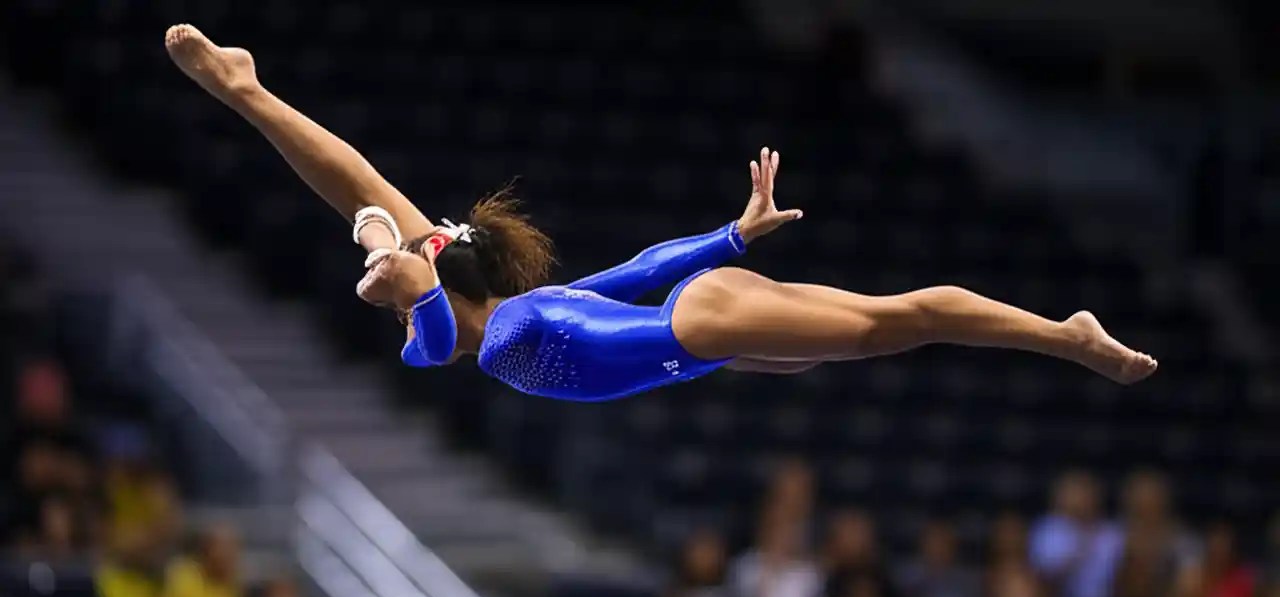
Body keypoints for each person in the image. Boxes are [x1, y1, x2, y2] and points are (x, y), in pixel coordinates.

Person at [164, 25, 1157, 404]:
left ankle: (1062, 336)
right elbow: (631, 272)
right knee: (882, 328)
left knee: (898, 321)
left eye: (409, 295)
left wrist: (386, 250)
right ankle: (250, 92)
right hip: (703, 320)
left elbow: (419, 311)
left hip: (704, 324)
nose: (394, 316)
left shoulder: (497, 328)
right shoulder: (514, 315)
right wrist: (729, 236)